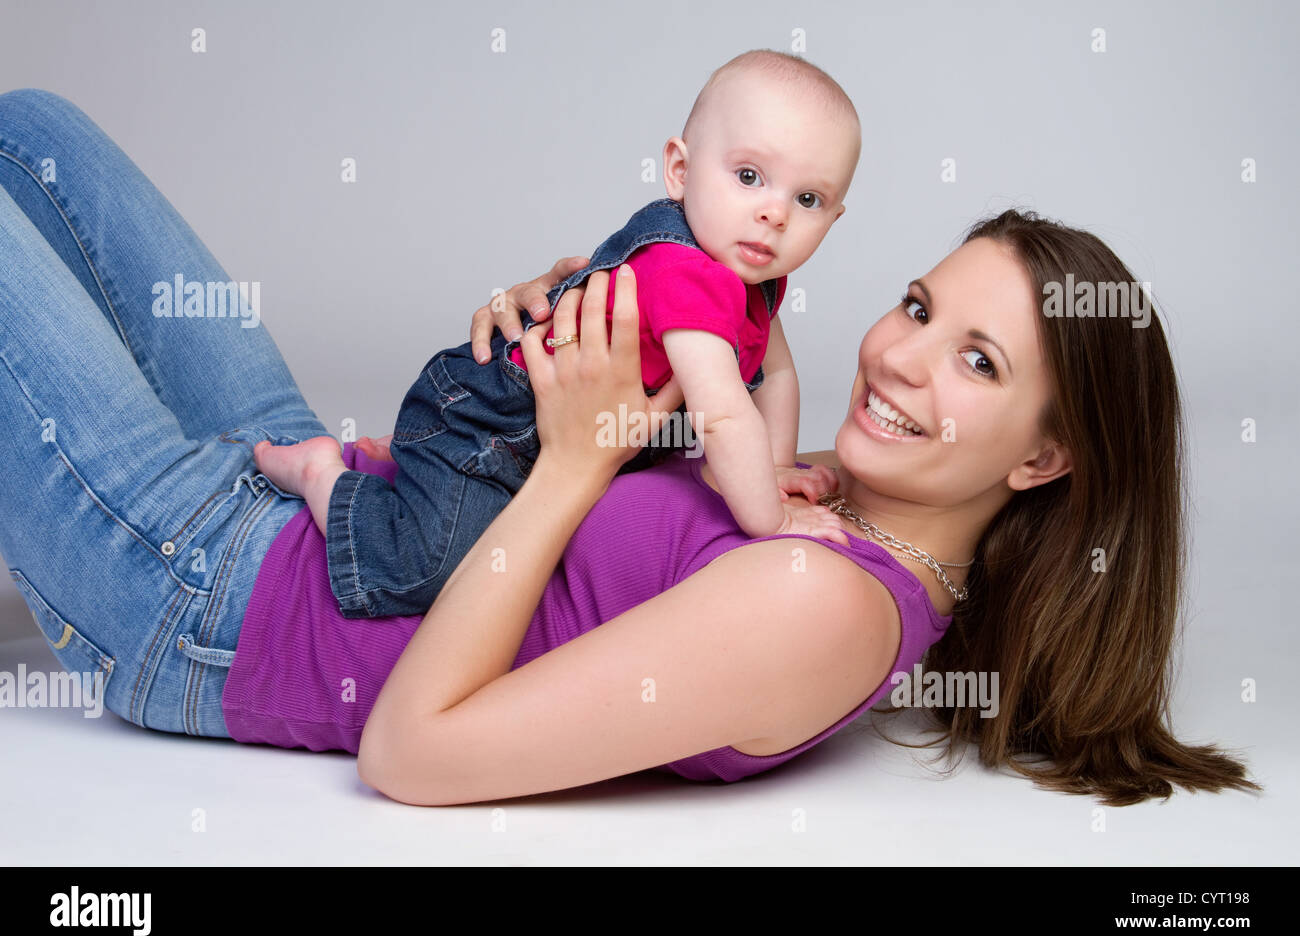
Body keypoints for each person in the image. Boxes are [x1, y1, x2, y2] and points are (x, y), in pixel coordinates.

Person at [0, 88, 1260, 808]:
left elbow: (414, 754)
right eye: (920, 308)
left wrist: (573, 458)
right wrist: (559, 321)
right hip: (322, 496)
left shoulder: (821, 599)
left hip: (213, 596)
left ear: (1044, 461)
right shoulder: (820, 499)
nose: (898, 358)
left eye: (977, 363)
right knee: (32, 129)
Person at [251, 49, 861, 619]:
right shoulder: (686, 273)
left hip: (571, 436)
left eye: (808, 198)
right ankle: (323, 474)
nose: (775, 213)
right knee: (424, 570)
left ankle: (407, 459)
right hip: (489, 424)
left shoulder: (752, 278)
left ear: (835, 219)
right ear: (680, 170)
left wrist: (773, 467)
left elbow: (777, 374)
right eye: (749, 175)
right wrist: (773, 521)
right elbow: (724, 415)